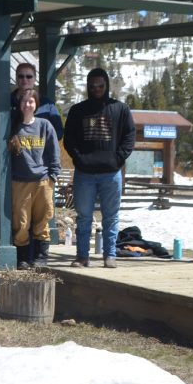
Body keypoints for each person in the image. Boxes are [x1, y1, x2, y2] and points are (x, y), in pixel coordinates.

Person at [63, 67, 136, 268]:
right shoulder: (78, 110)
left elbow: (130, 136)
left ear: (107, 86)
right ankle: (82, 256)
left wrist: (118, 159)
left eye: (101, 85)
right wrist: (79, 159)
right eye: (93, 86)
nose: (97, 89)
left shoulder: (120, 109)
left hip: (111, 173)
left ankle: (109, 255)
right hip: (84, 173)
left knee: (111, 216)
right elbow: (69, 140)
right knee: (84, 216)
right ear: (88, 86)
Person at [9, 87, 61, 269]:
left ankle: (40, 257)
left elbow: (54, 152)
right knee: (21, 221)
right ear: (19, 104)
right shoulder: (13, 126)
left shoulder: (45, 125)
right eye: (24, 101)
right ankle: (22, 257)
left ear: (36, 104)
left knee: (43, 219)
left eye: (31, 101)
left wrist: (53, 176)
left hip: (43, 181)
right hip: (20, 181)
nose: (27, 104)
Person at [9, 62, 63, 135]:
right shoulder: (5, 101)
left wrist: (40, 141)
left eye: (29, 76)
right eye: (21, 76)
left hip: (39, 145)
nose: (24, 79)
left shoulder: (47, 104)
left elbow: (59, 131)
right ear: (16, 78)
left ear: (35, 79)